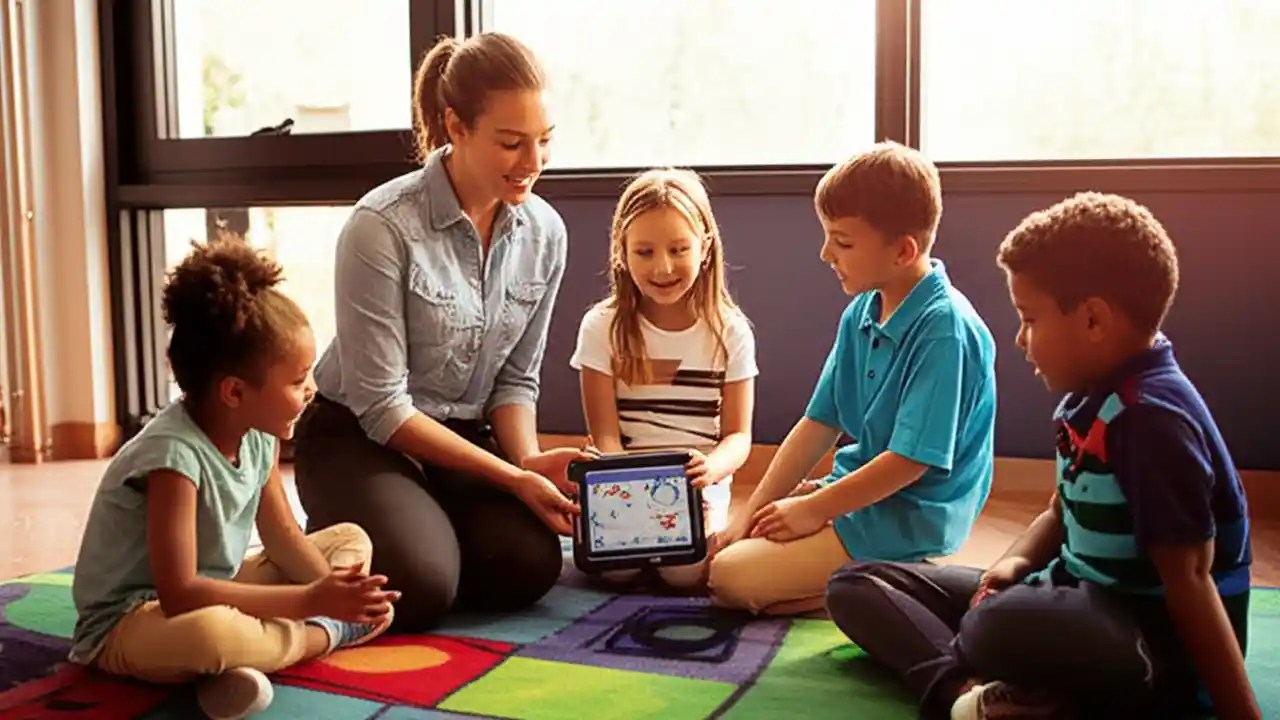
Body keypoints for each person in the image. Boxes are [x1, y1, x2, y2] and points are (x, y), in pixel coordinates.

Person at [825, 192, 1261, 720]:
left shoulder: (1150, 421)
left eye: (1029, 319)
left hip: (1143, 644)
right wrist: (1016, 561)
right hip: (1073, 597)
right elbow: (1060, 511)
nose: (1020, 339)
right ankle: (971, 695)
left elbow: (1190, 580)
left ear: (1094, 321)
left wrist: (1238, 712)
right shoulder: (1090, 399)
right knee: (856, 586)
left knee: (997, 625)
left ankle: (998, 684)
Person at [291, 32, 587, 633]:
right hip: (359, 434)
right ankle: (330, 537)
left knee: (529, 567)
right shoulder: (380, 227)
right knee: (422, 586)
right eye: (511, 143)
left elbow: (514, 379)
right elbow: (381, 408)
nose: (533, 163)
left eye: (544, 141)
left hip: (464, 440)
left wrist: (527, 458)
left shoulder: (545, 234)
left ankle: (413, 529)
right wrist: (510, 476)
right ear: (456, 125)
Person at [69, 238, 396, 720]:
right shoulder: (173, 456)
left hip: (214, 588)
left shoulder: (258, 435)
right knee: (210, 635)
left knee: (350, 540)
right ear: (235, 392)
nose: (311, 390)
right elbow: (179, 593)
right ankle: (320, 636)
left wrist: (338, 592)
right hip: (131, 621)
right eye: (298, 379)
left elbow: (283, 536)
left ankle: (231, 673)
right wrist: (313, 605)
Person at [707, 141, 997, 615]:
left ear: (903, 250)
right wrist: (749, 515)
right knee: (726, 553)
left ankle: (900, 582)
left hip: (912, 517)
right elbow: (818, 425)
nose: (825, 253)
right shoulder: (862, 309)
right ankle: (865, 579)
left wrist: (814, 510)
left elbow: (909, 462)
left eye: (842, 242)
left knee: (731, 578)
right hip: (859, 495)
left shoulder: (946, 330)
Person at [570, 168, 757, 589]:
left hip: (695, 484)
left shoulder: (730, 330)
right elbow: (605, 436)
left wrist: (711, 469)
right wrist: (629, 497)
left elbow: (738, 436)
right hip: (624, 477)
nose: (663, 267)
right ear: (621, 251)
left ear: (705, 247)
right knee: (614, 570)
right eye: (645, 252)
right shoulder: (602, 327)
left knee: (684, 573)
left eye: (678, 248)